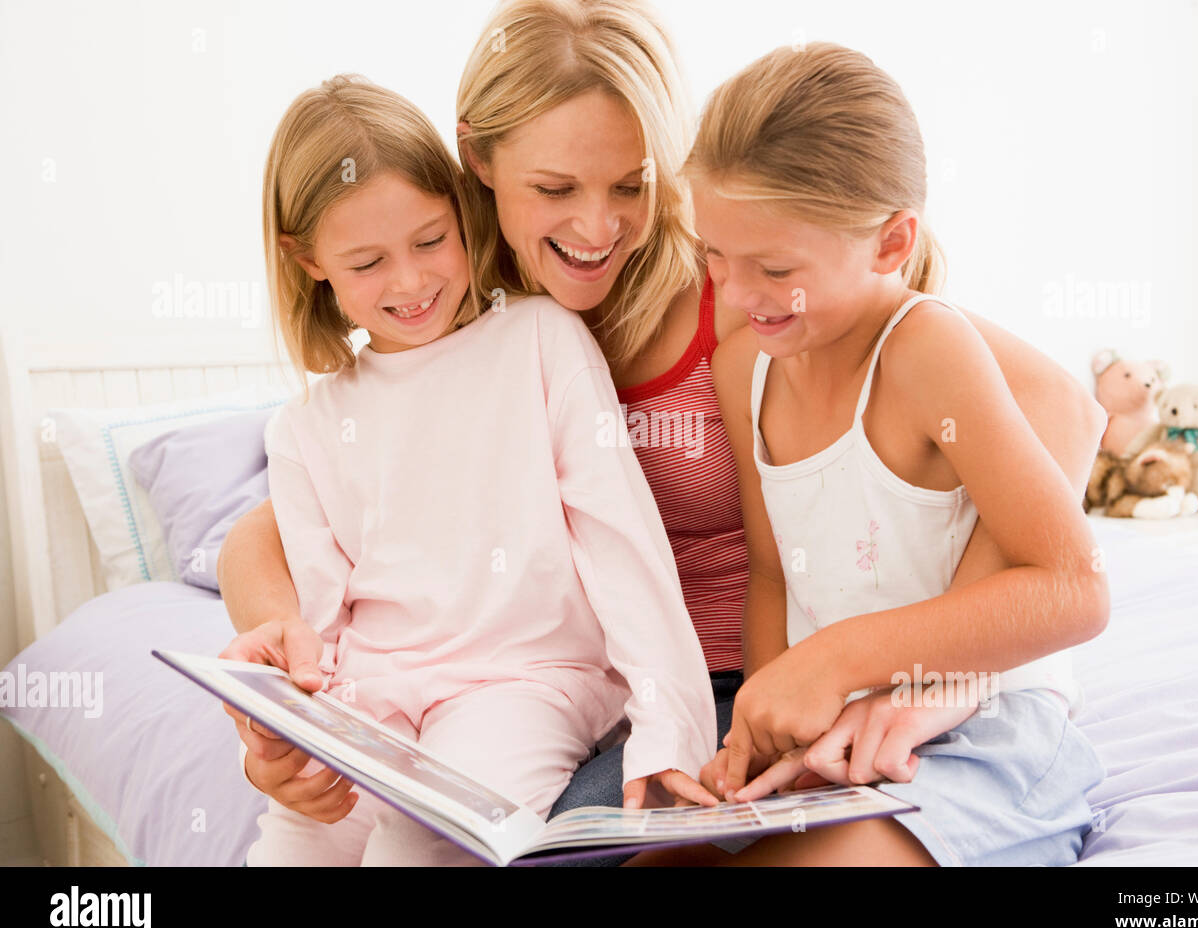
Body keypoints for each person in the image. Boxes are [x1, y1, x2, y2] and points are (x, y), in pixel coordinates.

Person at [219, 0, 1106, 858]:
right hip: (602, 702)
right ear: (479, 163)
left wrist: (944, 676)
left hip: (740, 688)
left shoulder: (755, 297)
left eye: (631, 186)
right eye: (555, 188)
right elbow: (271, 534)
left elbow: (1058, 412)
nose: (597, 227)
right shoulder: (454, 310)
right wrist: (290, 686)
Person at [632, 42, 1107, 866]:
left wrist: (837, 660)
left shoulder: (926, 349)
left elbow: (1074, 587)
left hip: (983, 735)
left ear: (891, 244)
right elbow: (776, 577)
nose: (734, 297)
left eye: (776, 267)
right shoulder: (744, 368)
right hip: (836, 749)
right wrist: (759, 731)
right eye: (714, 254)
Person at [239, 74, 715, 866]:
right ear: (307, 260)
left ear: (463, 213)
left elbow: (622, 543)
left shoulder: (540, 340)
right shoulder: (303, 429)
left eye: (431, 240)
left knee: (419, 848)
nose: (412, 281)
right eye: (367, 262)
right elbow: (315, 633)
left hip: (524, 684)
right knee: (292, 848)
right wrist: (283, 740)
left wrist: (669, 731)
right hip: (373, 695)